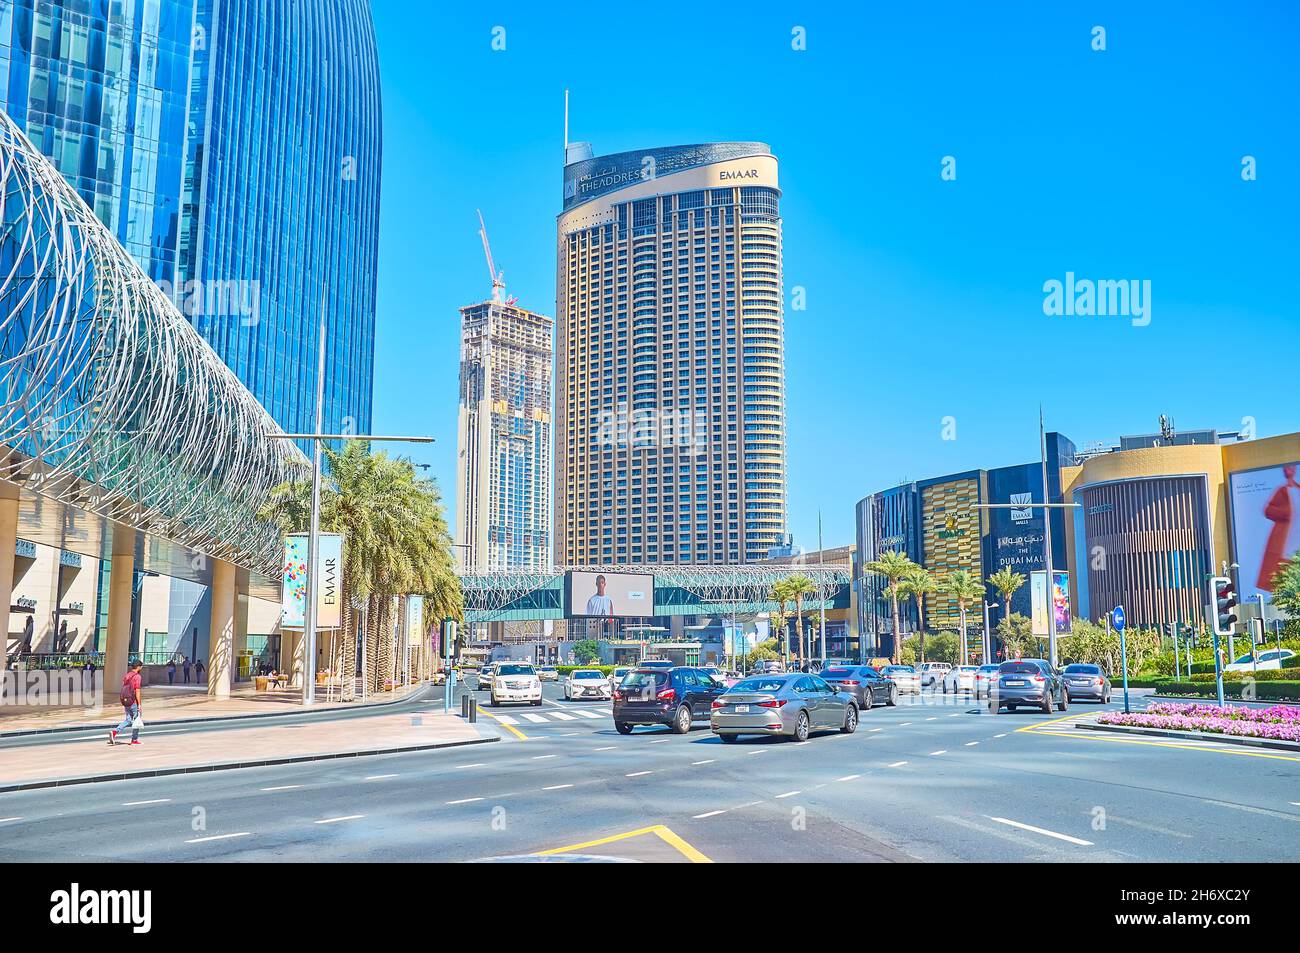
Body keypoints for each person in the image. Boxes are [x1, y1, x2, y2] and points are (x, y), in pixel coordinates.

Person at [109, 658, 144, 746]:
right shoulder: (137, 676)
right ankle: (134, 739)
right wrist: (139, 704)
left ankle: (114, 732)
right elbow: (137, 691)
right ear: (138, 667)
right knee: (137, 719)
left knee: (128, 719)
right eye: (141, 667)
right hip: (133, 701)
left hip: (125, 700)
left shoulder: (127, 675)